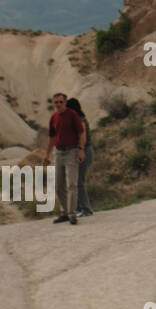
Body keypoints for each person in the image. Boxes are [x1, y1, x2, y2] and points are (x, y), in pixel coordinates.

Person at [44, 92, 86, 225]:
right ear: (53, 104)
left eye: (61, 102)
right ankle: (64, 212)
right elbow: (51, 137)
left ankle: (72, 214)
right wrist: (47, 154)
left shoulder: (72, 115)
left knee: (71, 184)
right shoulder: (54, 117)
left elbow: (81, 132)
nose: (58, 104)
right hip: (58, 152)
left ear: (65, 103)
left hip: (71, 151)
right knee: (58, 185)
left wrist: (81, 149)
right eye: (56, 102)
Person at [68, 98, 94, 218]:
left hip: (84, 152)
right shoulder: (78, 119)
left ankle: (86, 209)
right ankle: (79, 208)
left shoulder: (80, 120)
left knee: (79, 182)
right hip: (82, 151)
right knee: (76, 181)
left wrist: (80, 150)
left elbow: (82, 138)